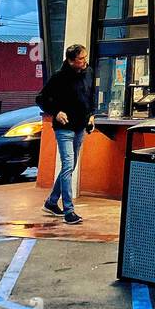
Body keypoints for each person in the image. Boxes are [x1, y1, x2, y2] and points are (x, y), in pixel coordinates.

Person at [37, 44, 94, 224]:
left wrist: (91, 116)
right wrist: (56, 112)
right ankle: (69, 211)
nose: (84, 61)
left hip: (80, 126)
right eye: (80, 59)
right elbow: (41, 98)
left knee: (70, 166)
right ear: (70, 61)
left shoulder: (88, 72)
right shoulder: (59, 78)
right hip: (64, 128)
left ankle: (52, 202)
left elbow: (89, 95)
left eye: (85, 57)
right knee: (68, 165)